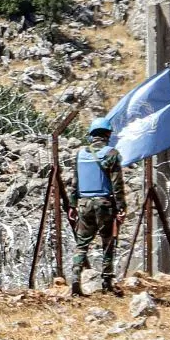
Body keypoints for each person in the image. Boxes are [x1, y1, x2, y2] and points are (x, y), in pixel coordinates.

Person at [69, 120, 124, 297]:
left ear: (91, 135)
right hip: (104, 203)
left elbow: (74, 183)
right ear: (108, 135)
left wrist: (72, 204)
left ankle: (76, 276)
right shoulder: (111, 154)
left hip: (84, 203)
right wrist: (121, 207)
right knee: (107, 242)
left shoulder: (80, 154)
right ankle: (106, 281)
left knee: (82, 243)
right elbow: (117, 184)